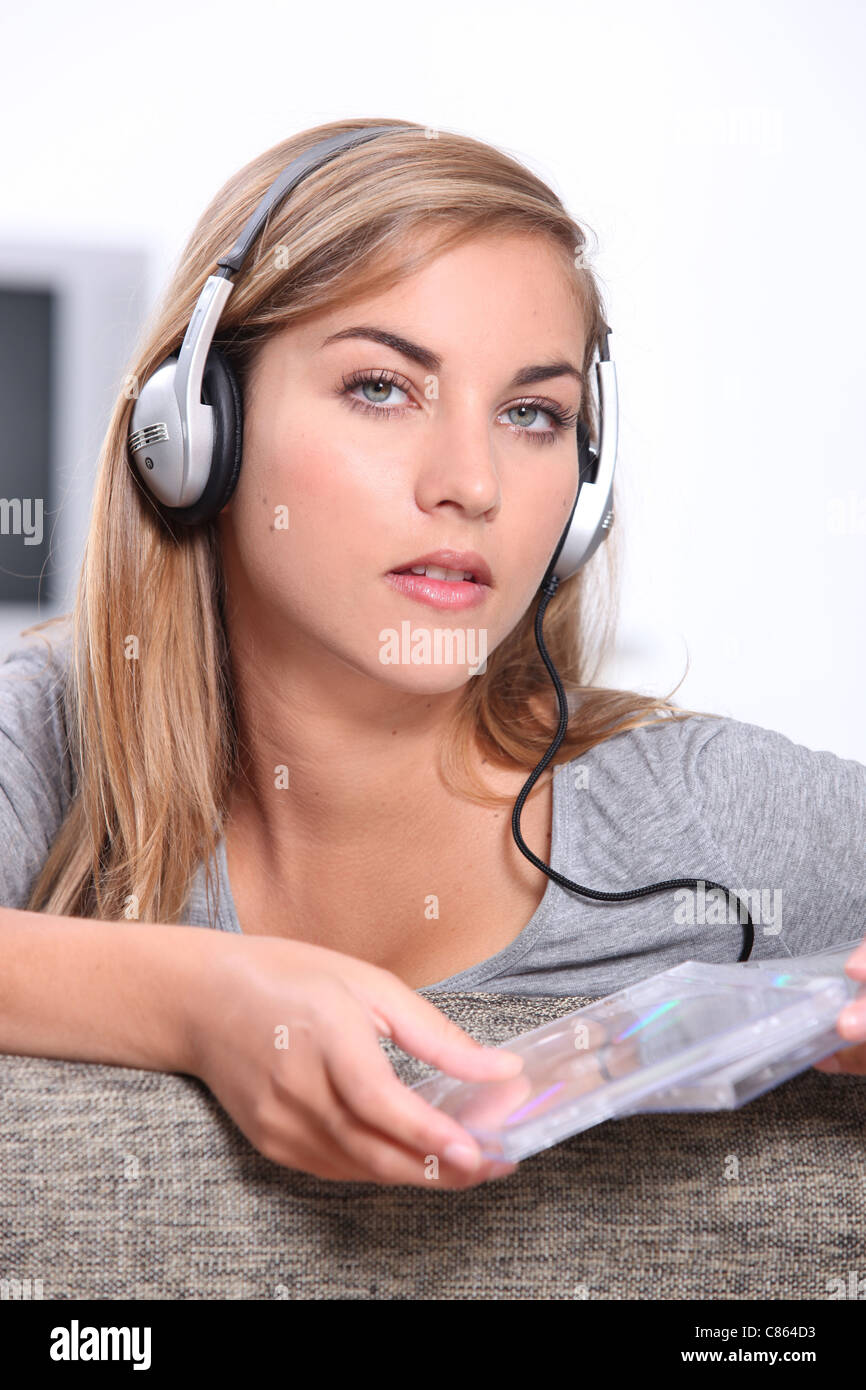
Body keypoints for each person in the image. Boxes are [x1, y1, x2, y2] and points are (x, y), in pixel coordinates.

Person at [1, 118, 864, 1190]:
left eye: (532, 414)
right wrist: (199, 999)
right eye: (381, 387)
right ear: (196, 433)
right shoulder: (51, 735)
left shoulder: (703, 814)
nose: (472, 482)